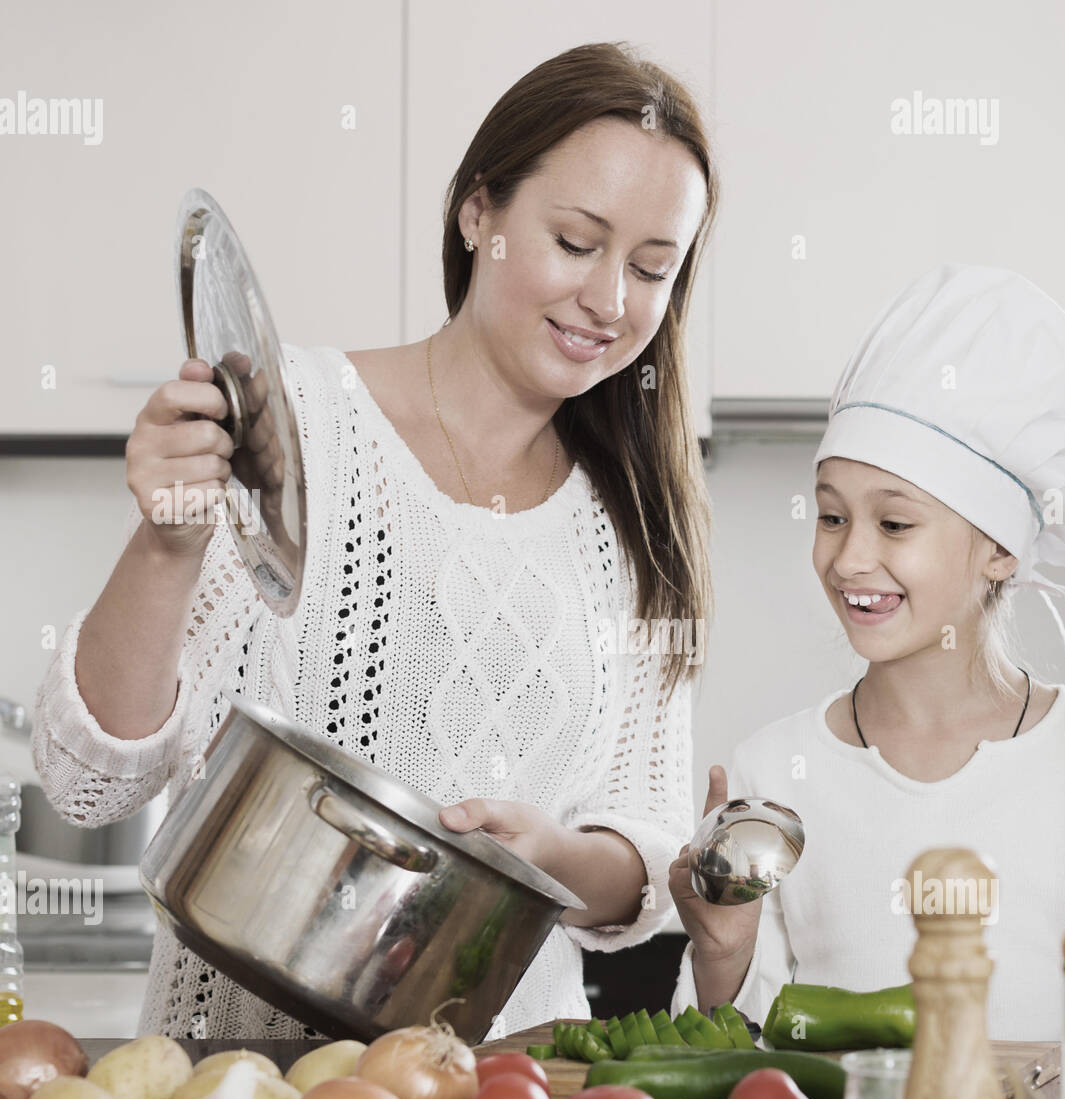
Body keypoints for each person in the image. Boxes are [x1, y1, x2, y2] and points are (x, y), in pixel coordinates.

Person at [32, 42, 717, 1041]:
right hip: (236, 1089)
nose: (611, 300)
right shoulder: (286, 423)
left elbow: (646, 868)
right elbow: (90, 781)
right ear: (478, 211)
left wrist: (552, 858)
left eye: (653, 267)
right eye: (576, 241)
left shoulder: (639, 522)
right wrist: (168, 540)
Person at [669, 263, 1065, 1069]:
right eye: (830, 515)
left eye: (895, 523)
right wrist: (722, 947)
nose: (850, 557)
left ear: (999, 549)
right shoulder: (771, 774)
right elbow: (731, 1051)